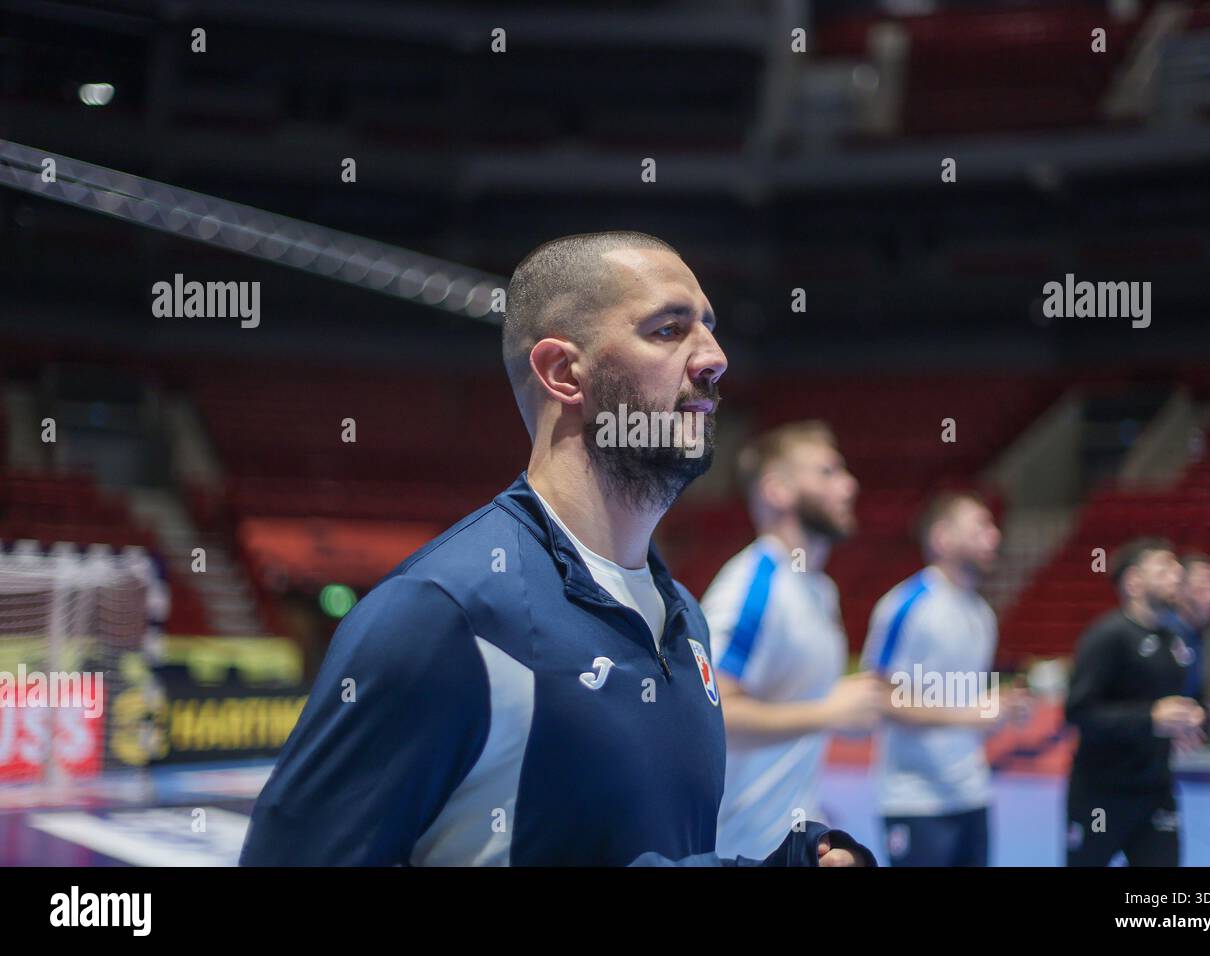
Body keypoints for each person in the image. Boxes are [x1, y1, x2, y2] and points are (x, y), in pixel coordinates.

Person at [240, 230, 871, 867]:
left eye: (709, 327)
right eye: (668, 330)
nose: (715, 358)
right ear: (565, 373)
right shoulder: (445, 614)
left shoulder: (683, 615)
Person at [701, 420, 884, 859]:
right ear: (777, 490)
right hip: (738, 847)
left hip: (794, 841)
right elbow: (712, 717)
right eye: (827, 472)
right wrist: (829, 712)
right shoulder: (750, 586)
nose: (849, 485)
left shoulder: (821, 590)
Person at [861, 492, 1022, 867]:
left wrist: (1000, 709)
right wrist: (972, 716)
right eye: (981, 526)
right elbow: (877, 695)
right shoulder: (907, 604)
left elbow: (961, 699)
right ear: (942, 537)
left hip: (973, 793)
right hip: (914, 799)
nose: (994, 536)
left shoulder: (983, 614)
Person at [1065, 538, 1210, 867]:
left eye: (1176, 567)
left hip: (1156, 792)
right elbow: (1078, 712)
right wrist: (1150, 719)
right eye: (1163, 567)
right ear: (1133, 582)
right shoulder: (1107, 636)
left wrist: (1202, 719)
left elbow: (1179, 708)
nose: (1176, 574)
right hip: (1101, 794)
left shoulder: (1176, 642)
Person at [1165, 552, 1210, 738]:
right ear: (1178, 590)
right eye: (1204, 583)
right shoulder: (1160, 633)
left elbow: (1189, 699)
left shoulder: (1195, 637)